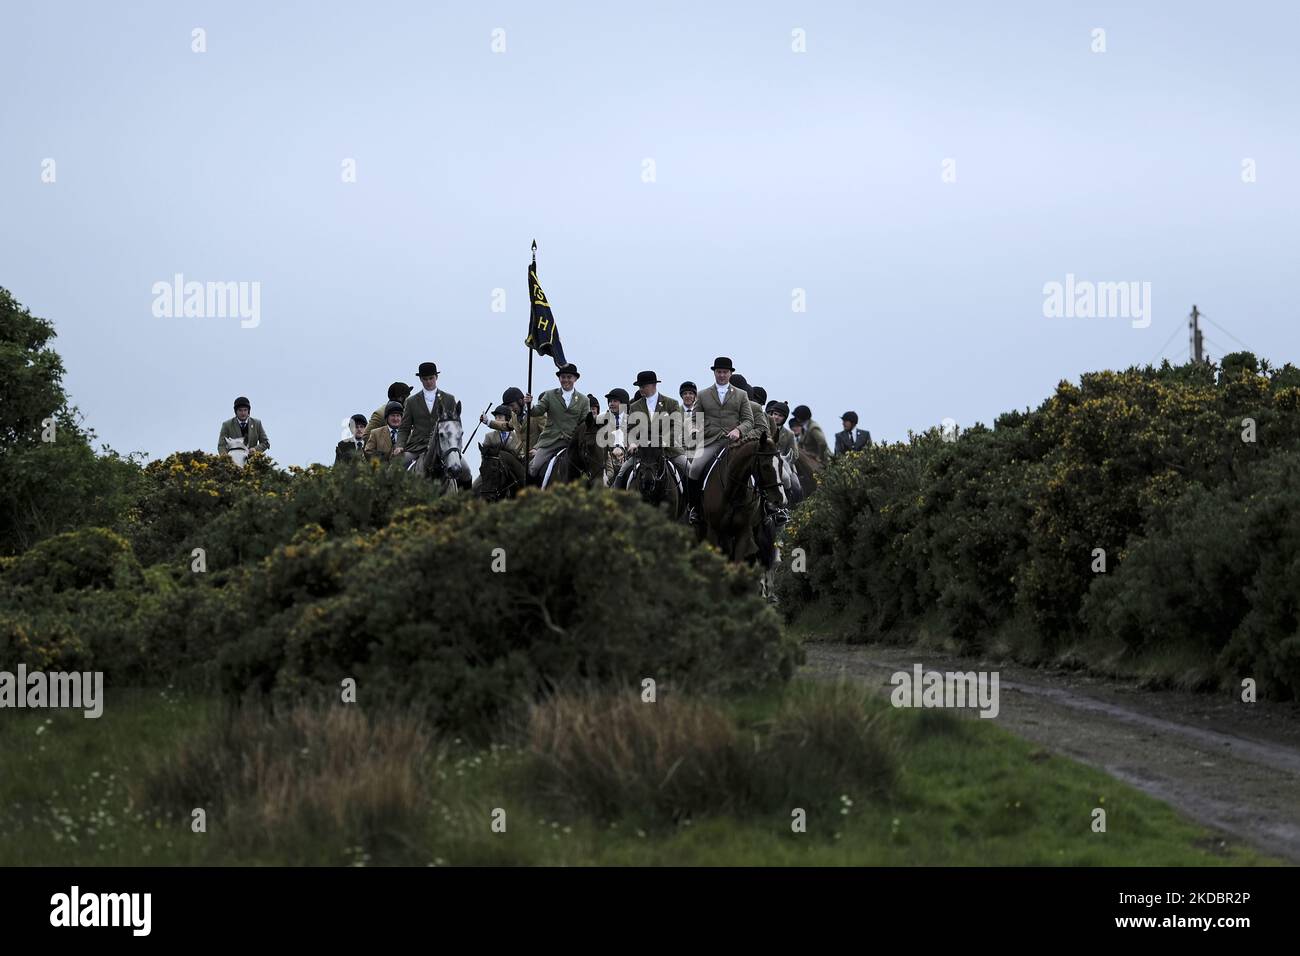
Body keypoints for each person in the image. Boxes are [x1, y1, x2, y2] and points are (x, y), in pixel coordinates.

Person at [686, 357, 757, 525]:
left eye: (725, 372)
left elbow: (749, 421)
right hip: (711, 441)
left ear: (730, 373)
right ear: (714, 373)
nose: (722, 375)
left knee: (756, 468)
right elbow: (694, 419)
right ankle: (695, 508)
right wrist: (695, 429)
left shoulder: (741, 395)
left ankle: (765, 507)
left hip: (735, 443)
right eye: (719, 372)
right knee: (694, 469)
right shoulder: (703, 394)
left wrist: (738, 430)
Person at [615, 371, 687, 489]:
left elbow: (677, 426)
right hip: (643, 450)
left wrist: (665, 440)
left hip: (668, 449)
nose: (640, 389)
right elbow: (631, 428)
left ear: (653, 385)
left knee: (689, 469)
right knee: (622, 472)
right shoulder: (635, 406)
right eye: (639, 387)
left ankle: (692, 505)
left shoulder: (671, 403)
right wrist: (632, 442)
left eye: (643, 386)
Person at [527, 363, 590, 480]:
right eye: (563, 377)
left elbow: (584, 423)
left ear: (575, 379)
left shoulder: (583, 400)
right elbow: (537, 411)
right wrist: (529, 405)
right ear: (559, 378)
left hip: (572, 442)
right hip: (551, 441)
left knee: (590, 467)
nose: (566, 380)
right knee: (534, 467)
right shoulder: (550, 395)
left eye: (569, 377)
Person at [395, 362, 460, 472]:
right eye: (425, 379)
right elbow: (404, 428)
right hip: (417, 447)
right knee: (394, 467)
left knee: (466, 471)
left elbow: (455, 426)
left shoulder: (449, 399)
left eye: (431, 378)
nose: (429, 382)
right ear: (420, 379)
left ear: (436, 377)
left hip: (444, 446)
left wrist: (455, 445)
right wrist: (399, 445)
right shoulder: (411, 401)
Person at [598, 387, 632, 485]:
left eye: (615, 401)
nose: (611, 404)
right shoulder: (601, 418)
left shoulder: (631, 419)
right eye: (610, 401)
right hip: (606, 461)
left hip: (627, 458)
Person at [790, 405, 829, 469]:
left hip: (822, 463)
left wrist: (820, 458)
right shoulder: (805, 427)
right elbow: (800, 444)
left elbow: (822, 443)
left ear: (801, 417)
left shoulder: (813, 428)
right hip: (811, 459)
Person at [679, 381, 700, 464]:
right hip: (681, 453)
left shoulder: (701, 413)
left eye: (691, 393)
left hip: (698, 453)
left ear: (695, 396)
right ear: (682, 396)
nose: (688, 396)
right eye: (685, 394)